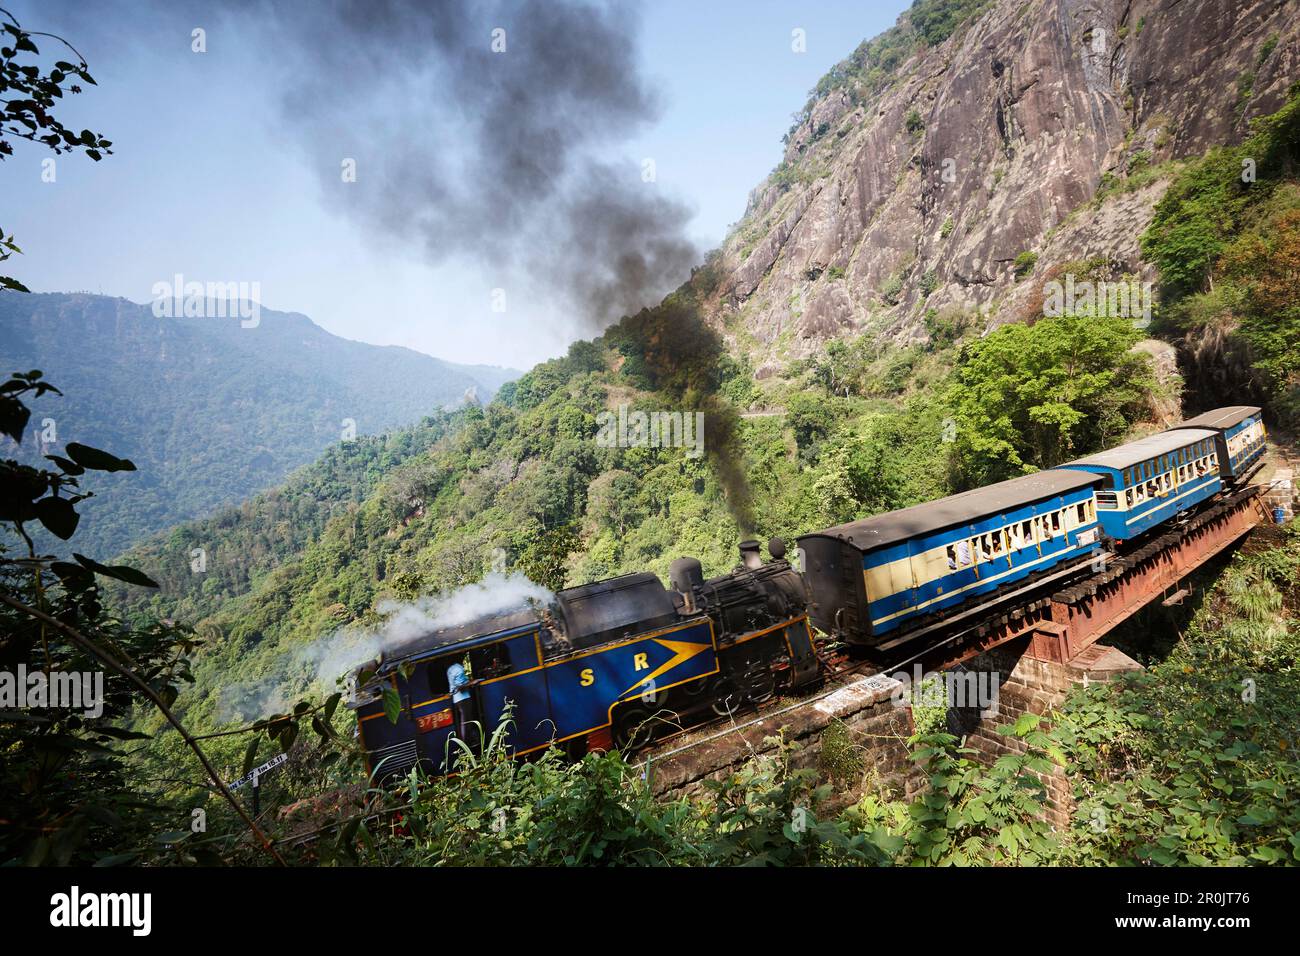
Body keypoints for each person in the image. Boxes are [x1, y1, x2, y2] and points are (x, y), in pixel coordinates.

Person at [447, 658, 479, 752]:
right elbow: (460, 687)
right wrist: (472, 682)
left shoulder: (450, 669)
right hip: (463, 697)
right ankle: (466, 746)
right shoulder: (458, 668)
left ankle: (467, 743)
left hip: (456, 699)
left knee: (464, 721)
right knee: (466, 722)